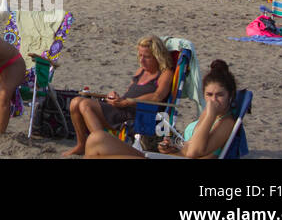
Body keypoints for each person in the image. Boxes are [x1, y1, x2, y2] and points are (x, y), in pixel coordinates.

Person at [84, 60, 240, 159]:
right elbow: (188, 149)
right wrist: (172, 148)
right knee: (96, 138)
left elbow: (194, 153)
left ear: (230, 95)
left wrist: (211, 114)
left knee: (96, 155)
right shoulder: (208, 113)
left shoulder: (226, 122)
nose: (213, 100)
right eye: (209, 95)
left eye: (219, 95)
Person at [62, 36, 174, 156]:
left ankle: (102, 144)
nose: (141, 60)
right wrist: (115, 97)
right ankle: (82, 145)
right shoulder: (141, 70)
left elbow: (158, 96)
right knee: (75, 102)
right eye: (140, 55)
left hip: (138, 114)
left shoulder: (164, 73)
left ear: (157, 57)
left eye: (146, 57)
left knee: (84, 104)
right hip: (121, 107)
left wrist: (128, 102)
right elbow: (128, 92)